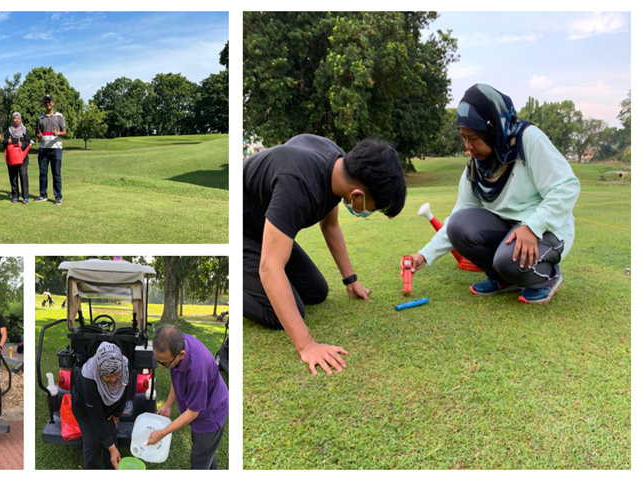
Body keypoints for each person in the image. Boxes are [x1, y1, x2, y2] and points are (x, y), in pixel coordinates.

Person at [243, 134, 407, 374]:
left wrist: (351, 281)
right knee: (283, 313)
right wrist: (307, 345)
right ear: (357, 196)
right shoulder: (298, 184)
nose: (370, 213)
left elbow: (329, 226)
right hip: (238, 228)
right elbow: (270, 268)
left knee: (316, 291)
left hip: (266, 225)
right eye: (373, 209)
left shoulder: (338, 165)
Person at [407, 84, 580, 304]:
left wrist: (532, 226)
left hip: (549, 229)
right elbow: (459, 215)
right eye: (463, 137)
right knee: (458, 226)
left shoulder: (528, 140)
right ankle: (503, 280)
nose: (468, 147)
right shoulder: (476, 166)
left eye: (474, 138)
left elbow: (566, 186)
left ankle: (547, 278)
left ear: (493, 129)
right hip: (510, 230)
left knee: (507, 260)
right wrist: (424, 255)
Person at [148, 325, 229, 470]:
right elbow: (176, 374)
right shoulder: (178, 341)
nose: (161, 367)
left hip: (211, 414)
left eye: (164, 363)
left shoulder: (196, 373)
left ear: (181, 354)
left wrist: (163, 433)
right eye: (158, 360)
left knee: (199, 459)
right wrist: (168, 404)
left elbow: (193, 412)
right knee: (206, 452)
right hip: (202, 405)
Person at [70, 342, 133, 470]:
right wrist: (112, 448)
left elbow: (125, 389)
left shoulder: (125, 366)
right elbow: (96, 417)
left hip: (107, 407)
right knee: (92, 442)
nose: (114, 380)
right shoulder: (88, 377)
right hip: (84, 408)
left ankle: (112, 468)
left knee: (112, 433)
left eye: (116, 375)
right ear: (99, 371)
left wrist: (116, 413)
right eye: (108, 376)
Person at [35, 94, 67, 205]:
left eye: (49, 101)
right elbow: (38, 133)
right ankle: (43, 195)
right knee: (43, 173)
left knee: (56, 173)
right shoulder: (40, 118)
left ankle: (58, 196)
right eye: (45, 102)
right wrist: (39, 136)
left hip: (56, 149)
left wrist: (57, 133)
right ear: (43, 104)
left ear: (53, 103)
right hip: (43, 148)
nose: (47, 103)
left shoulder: (59, 116)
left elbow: (65, 132)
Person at [3, 112, 31, 204]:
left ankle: (25, 197)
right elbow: (4, 143)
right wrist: (8, 142)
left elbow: (28, 141)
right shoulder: (9, 130)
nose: (16, 120)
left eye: (18, 118)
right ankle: (15, 196)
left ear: (20, 119)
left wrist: (22, 144)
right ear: (12, 119)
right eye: (15, 118)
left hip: (22, 158)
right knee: (13, 177)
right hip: (12, 159)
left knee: (23, 176)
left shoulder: (24, 130)